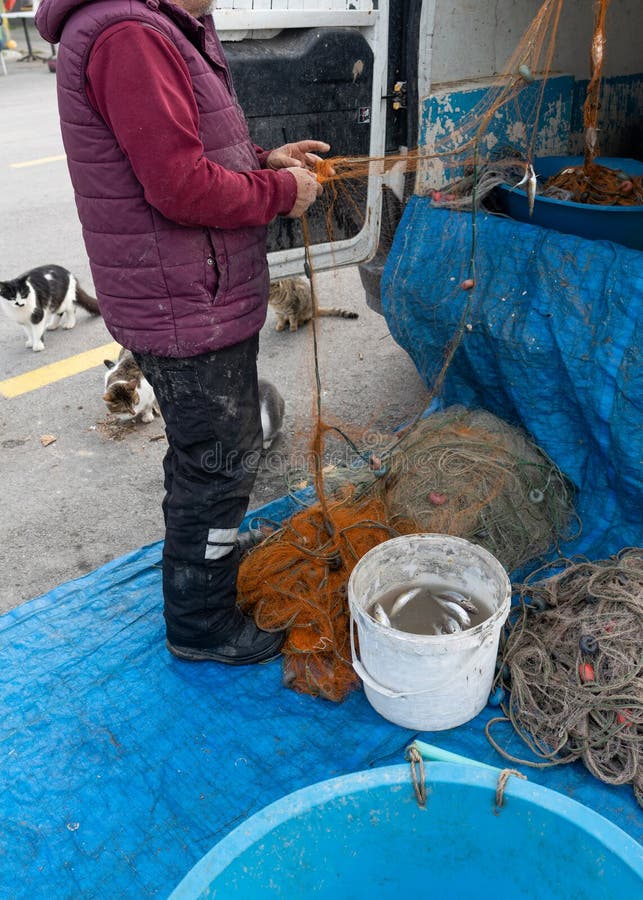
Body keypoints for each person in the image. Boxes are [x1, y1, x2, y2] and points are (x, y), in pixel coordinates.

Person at [36, 0, 329, 665]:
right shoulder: (129, 34)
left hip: (200, 291)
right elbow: (177, 184)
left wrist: (263, 159)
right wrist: (279, 191)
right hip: (183, 301)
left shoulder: (166, 23)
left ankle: (208, 568)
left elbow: (193, 144)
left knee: (217, 454)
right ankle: (202, 624)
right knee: (217, 466)